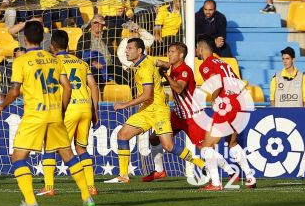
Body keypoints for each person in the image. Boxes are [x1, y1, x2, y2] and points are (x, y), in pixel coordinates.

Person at [0, 21, 95, 206]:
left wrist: (3, 104)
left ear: (25, 38)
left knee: (18, 158)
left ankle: (31, 201)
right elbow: (67, 87)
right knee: (69, 155)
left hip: (35, 115)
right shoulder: (54, 59)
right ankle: (86, 196)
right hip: (55, 114)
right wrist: (63, 109)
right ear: (43, 39)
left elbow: (15, 91)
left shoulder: (21, 61)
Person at [105, 38, 205, 184]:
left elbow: (147, 94)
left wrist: (124, 105)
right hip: (146, 109)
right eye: (127, 48)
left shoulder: (145, 68)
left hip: (158, 109)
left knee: (168, 146)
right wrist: (162, 67)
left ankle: (200, 163)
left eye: (130, 48)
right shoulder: (149, 59)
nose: (126, 51)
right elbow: (166, 64)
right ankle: (124, 176)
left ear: (139, 51)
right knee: (122, 135)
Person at [142, 42, 217, 182]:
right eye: (168, 51)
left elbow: (179, 89)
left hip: (192, 115)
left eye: (171, 52)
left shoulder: (185, 70)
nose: (168, 54)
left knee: (203, 147)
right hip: (177, 114)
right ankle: (159, 171)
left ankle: (222, 175)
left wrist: (165, 76)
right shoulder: (174, 70)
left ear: (181, 55)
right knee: (154, 138)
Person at [40, 30, 100, 196]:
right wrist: (95, 110)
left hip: (68, 109)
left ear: (52, 46)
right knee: (81, 148)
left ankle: (49, 187)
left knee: (51, 148)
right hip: (85, 107)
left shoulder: (51, 61)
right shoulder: (81, 62)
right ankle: (91, 187)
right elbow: (94, 86)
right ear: (68, 45)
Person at [195, 38, 256, 190]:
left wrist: (214, 100)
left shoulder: (206, 65)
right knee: (232, 143)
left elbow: (217, 83)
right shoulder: (223, 63)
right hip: (239, 103)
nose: (196, 52)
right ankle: (250, 177)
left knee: (206, 146)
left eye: (197, 48)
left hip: (226, 105)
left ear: (201, 49)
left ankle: (216, 183)